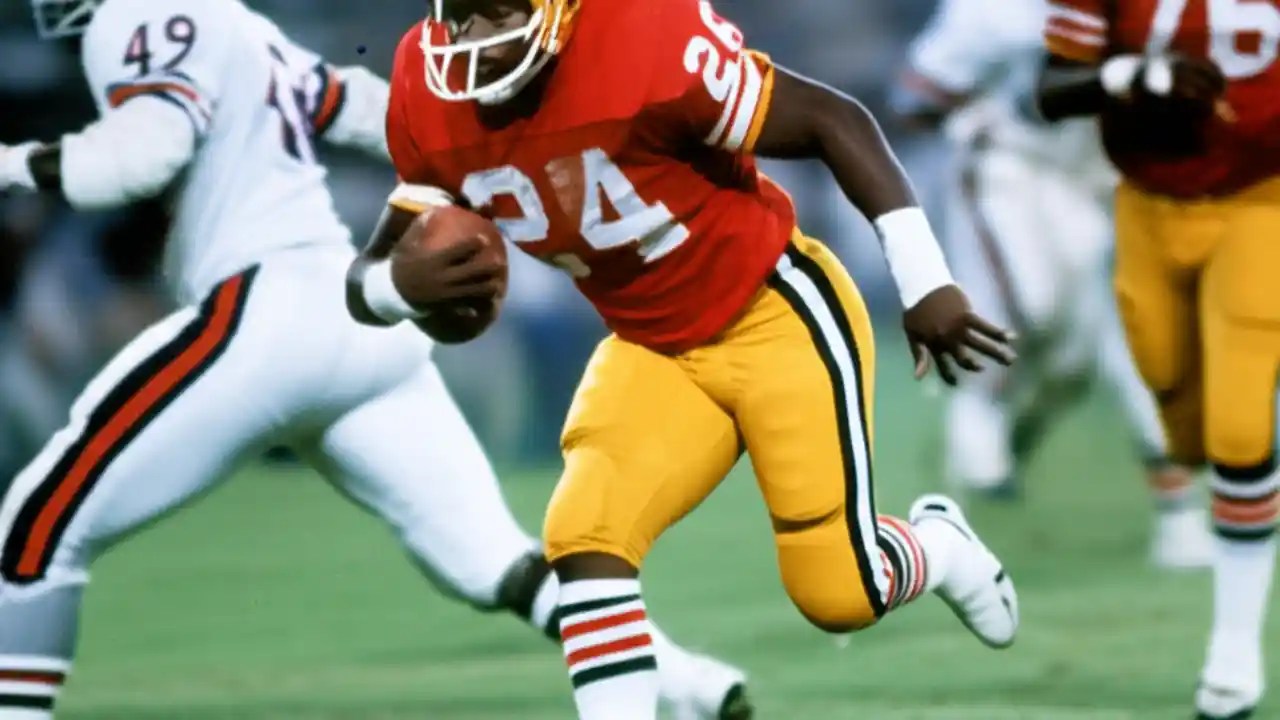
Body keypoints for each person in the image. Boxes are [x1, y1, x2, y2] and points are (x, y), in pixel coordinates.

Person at [0, 1, 747, 718]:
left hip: (264, 313)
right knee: (488, 558)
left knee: (34, 532)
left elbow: (137, 160)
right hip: (356, 321)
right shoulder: (236, 24)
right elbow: (368, 107)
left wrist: (12, 164)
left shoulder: (138, 14)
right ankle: (690, 682)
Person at [349, 1, 1021, 718]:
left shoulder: (643, 35)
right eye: (461, 16)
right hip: (651, 348)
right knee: (583, 537)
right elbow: (365, 283)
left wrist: (925, 281)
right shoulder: (426, 85)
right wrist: (398, 287)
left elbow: (835, 121)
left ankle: (939, 545)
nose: (474, 43)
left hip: (773, 314)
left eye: (499, 12)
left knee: (839, 595)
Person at [892, 0, 1211, 568]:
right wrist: (978, 108)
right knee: (1031, 308)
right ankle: (979, 416)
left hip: (1104, 187)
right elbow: (919, 95)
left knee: (1092, 355)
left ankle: (1011, 429)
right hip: (1012, 169)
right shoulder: (998, 12)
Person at [1038, 1, 1280, 717]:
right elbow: (1051, 90)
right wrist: (1134, 75)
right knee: (1180, 415)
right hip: (1147, 205)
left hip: (1262, 201)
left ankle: (1233, 654)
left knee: (1240, 426)